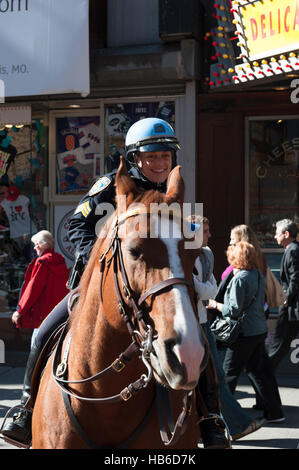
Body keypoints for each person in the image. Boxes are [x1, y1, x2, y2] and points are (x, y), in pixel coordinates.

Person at [1, 117, 229, 449]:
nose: (160, 163)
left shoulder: (172, 192)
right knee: (45, 331)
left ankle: (210, 418)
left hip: (152, 287)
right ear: (135, 158)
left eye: (165, 157)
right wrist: (96, 258)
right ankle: (25, 408)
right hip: (102, 283)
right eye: (152, 157)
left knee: (197, 340)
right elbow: (77, 226)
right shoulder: (110, 185)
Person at [191, 216, 265, 441]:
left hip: (204, 322)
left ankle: (231, 425)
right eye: (205, 230)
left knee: (216, 378)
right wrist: (206, 290)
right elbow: (203, 289)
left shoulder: (207, 254)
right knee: (211, 378)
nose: (210, 234)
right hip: (194, 323)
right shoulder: (189, 256)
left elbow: (209, 290)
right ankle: (230, 425)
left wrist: (205, 290)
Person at [1, 231, 69, 443]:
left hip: (43, 320)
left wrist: (20, 309)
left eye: (36, 245)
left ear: (42, 245)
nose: (35, 249)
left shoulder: (42, 263)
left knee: (36, 352)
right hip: (61, 318)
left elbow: (33, 288)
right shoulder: (61, 262)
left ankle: (25, 410)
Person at [208, 241, 284, 423]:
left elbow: (233, 310)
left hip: (243, 334)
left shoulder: (240, 279)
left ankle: (224, 417)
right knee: (260, 373)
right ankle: (275, 413)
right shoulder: (256, 274)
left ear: (236, 257)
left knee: (228, 375)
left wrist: (214, 304)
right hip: (258, 330)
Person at [269, 219, 299, 370]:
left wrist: (286, 300)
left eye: (277, 233)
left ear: (286, 234)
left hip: (291, 308)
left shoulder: (293, 250)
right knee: (281, 343)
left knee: (279, 343)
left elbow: (296, 277)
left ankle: (264, 372)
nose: (275, 237)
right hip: (291, 307)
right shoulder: (292, 249)